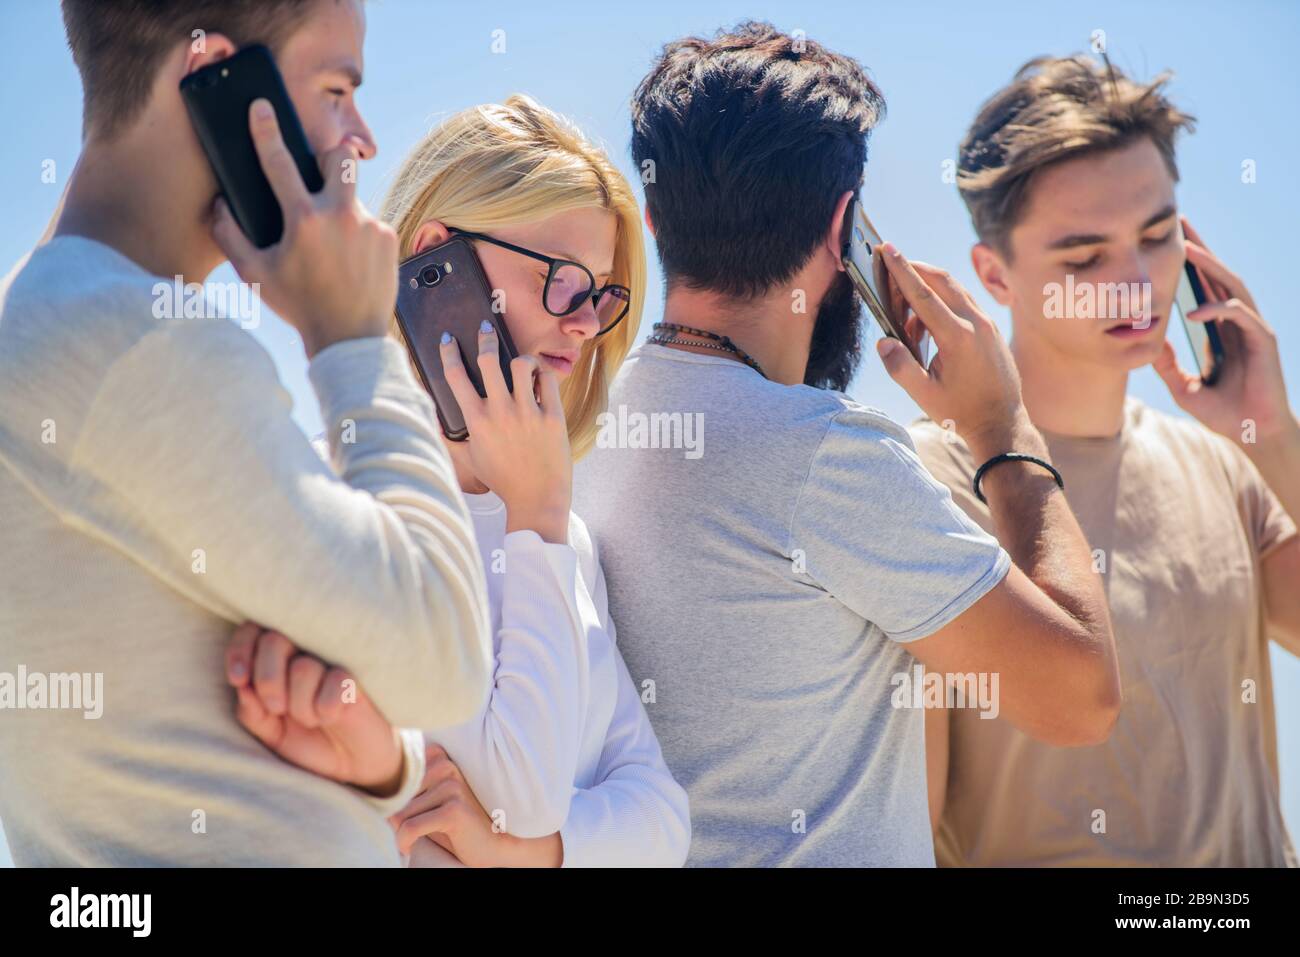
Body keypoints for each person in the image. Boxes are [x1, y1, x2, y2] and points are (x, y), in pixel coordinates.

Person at [570, 21, 1123, 868]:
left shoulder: (578, 426)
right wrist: (999, 426)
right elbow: (1081, 697)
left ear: (652, 213)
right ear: (843, 229)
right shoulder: (825, 457)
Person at [0, 0, 493, 866]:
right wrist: (355, 336)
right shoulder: (129, 346)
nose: (363, 138)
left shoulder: (60, 322)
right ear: (212, 79)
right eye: (337, 89)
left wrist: (382, 763)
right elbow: (444, 658)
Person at [224, 96, 691, 867]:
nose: (584, 323)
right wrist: (536, 516)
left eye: (603, 297)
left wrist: (521, 852)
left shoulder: (561, 533)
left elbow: (663, 822)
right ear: (436, 258)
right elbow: (527, 793)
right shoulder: (340, 500)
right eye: (567, 281)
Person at [913, 55, 1300, 867]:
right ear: (994, 275)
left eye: (1158, 237)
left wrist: (1275, 435)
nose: (1132, 282)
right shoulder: (926, 483)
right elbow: (904, 831)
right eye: (1084, 258)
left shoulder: (1227, 466)